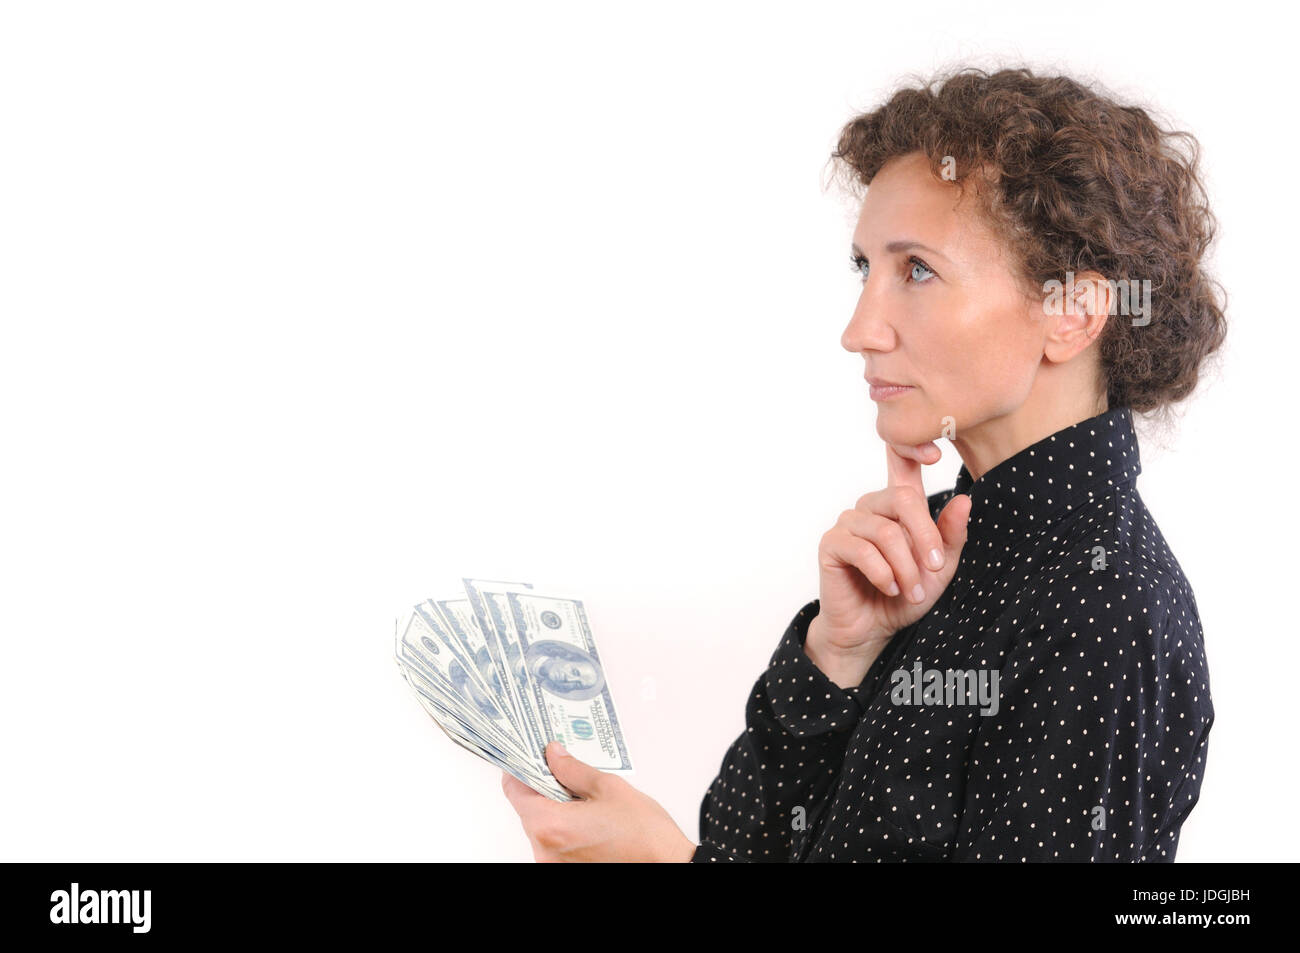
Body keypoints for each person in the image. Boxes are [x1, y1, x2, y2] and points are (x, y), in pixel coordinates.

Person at [500, 65, 1224, 862]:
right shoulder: (950, 550)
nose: (860, 328)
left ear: (1073, 312)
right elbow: (744, 846)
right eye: (865, 268)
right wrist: (838, 658)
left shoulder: (1104, 609)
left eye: (916, 270)